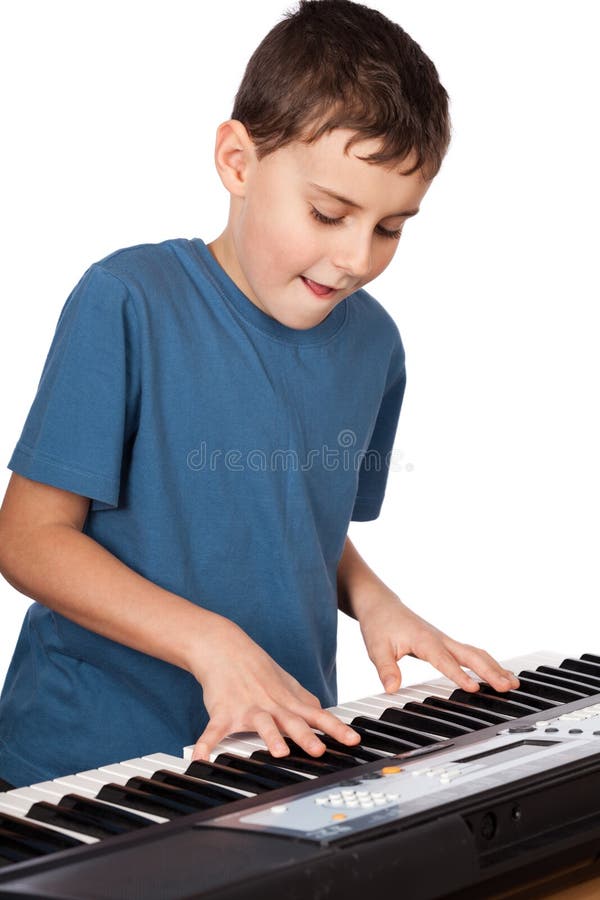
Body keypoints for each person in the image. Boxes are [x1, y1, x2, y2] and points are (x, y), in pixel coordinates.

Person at [0, 0, 519, 790]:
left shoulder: (375, 345)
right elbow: (28, 539)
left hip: (266, 763)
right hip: (79, 770)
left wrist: (375, 601)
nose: (355, 258)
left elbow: (294, 520)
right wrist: (214, 644)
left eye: (390, 228)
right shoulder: (128, 300)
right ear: (238, 163)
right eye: (328, 212)